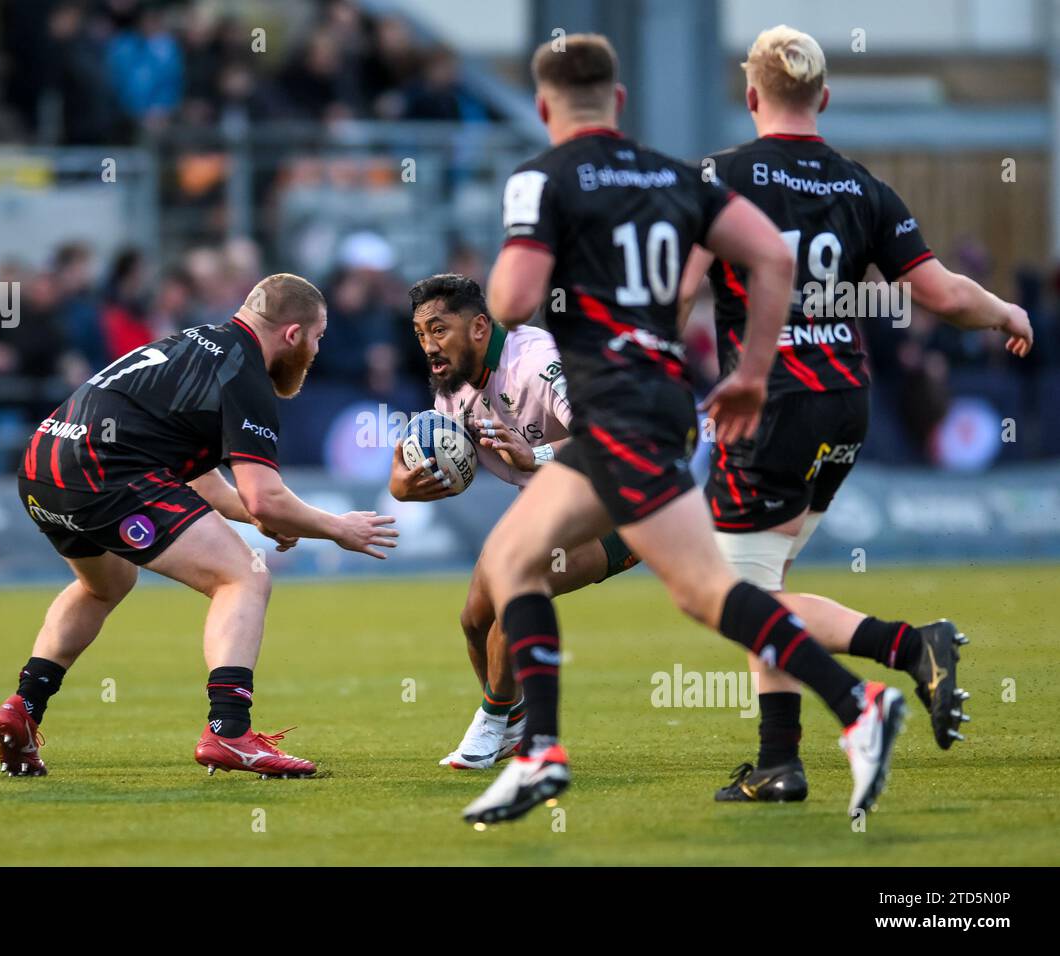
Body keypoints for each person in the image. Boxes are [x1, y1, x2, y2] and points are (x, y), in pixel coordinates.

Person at [462, 33, 904, 825]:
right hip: (656, 400)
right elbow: (772, 256)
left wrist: (505, 274)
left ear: (542, 108)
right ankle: (541, 756)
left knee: (699, 591)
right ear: (620, 103)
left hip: (620, 406)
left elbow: (514, 301)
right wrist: (752, 372)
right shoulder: (675, 175)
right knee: (514, 561)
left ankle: (857, 705)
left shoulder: (542, 177)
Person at [676, 25, 1033, 802]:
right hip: (845, 406)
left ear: (750, 96)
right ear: (824, 97)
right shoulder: (861, 185)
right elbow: (939, 293)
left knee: (732, 599)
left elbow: (677, 291)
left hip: (770, 405)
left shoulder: (718, 176)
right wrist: (1005, 308)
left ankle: (909, 646)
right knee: (767, 586)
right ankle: (778, 763)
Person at [0, 274, 398, 778]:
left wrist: (259, 515)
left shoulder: (192, 340)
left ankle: (23, 709)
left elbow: (204, 475)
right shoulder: (244, 372)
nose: (315, 351)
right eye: (316, 337)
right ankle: (230, 732)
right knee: (244, 576)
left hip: (41, 463)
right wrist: (338, 528)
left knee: (106, 584)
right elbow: (264, 494)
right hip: (105, 472)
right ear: (293, 335)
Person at [388, 273, 637, 769]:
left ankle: (491, 720)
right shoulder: (453, 391)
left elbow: (611, 437)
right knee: (473, 621)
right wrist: (402, 485)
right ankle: (514, 722)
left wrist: (538, 453)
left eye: (439, 330)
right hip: (549, 499)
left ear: (480, 327)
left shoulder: (538, 362)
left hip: (622, 502)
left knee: (513, 586)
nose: (429, 346)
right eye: (420, 334)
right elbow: (433, 468)